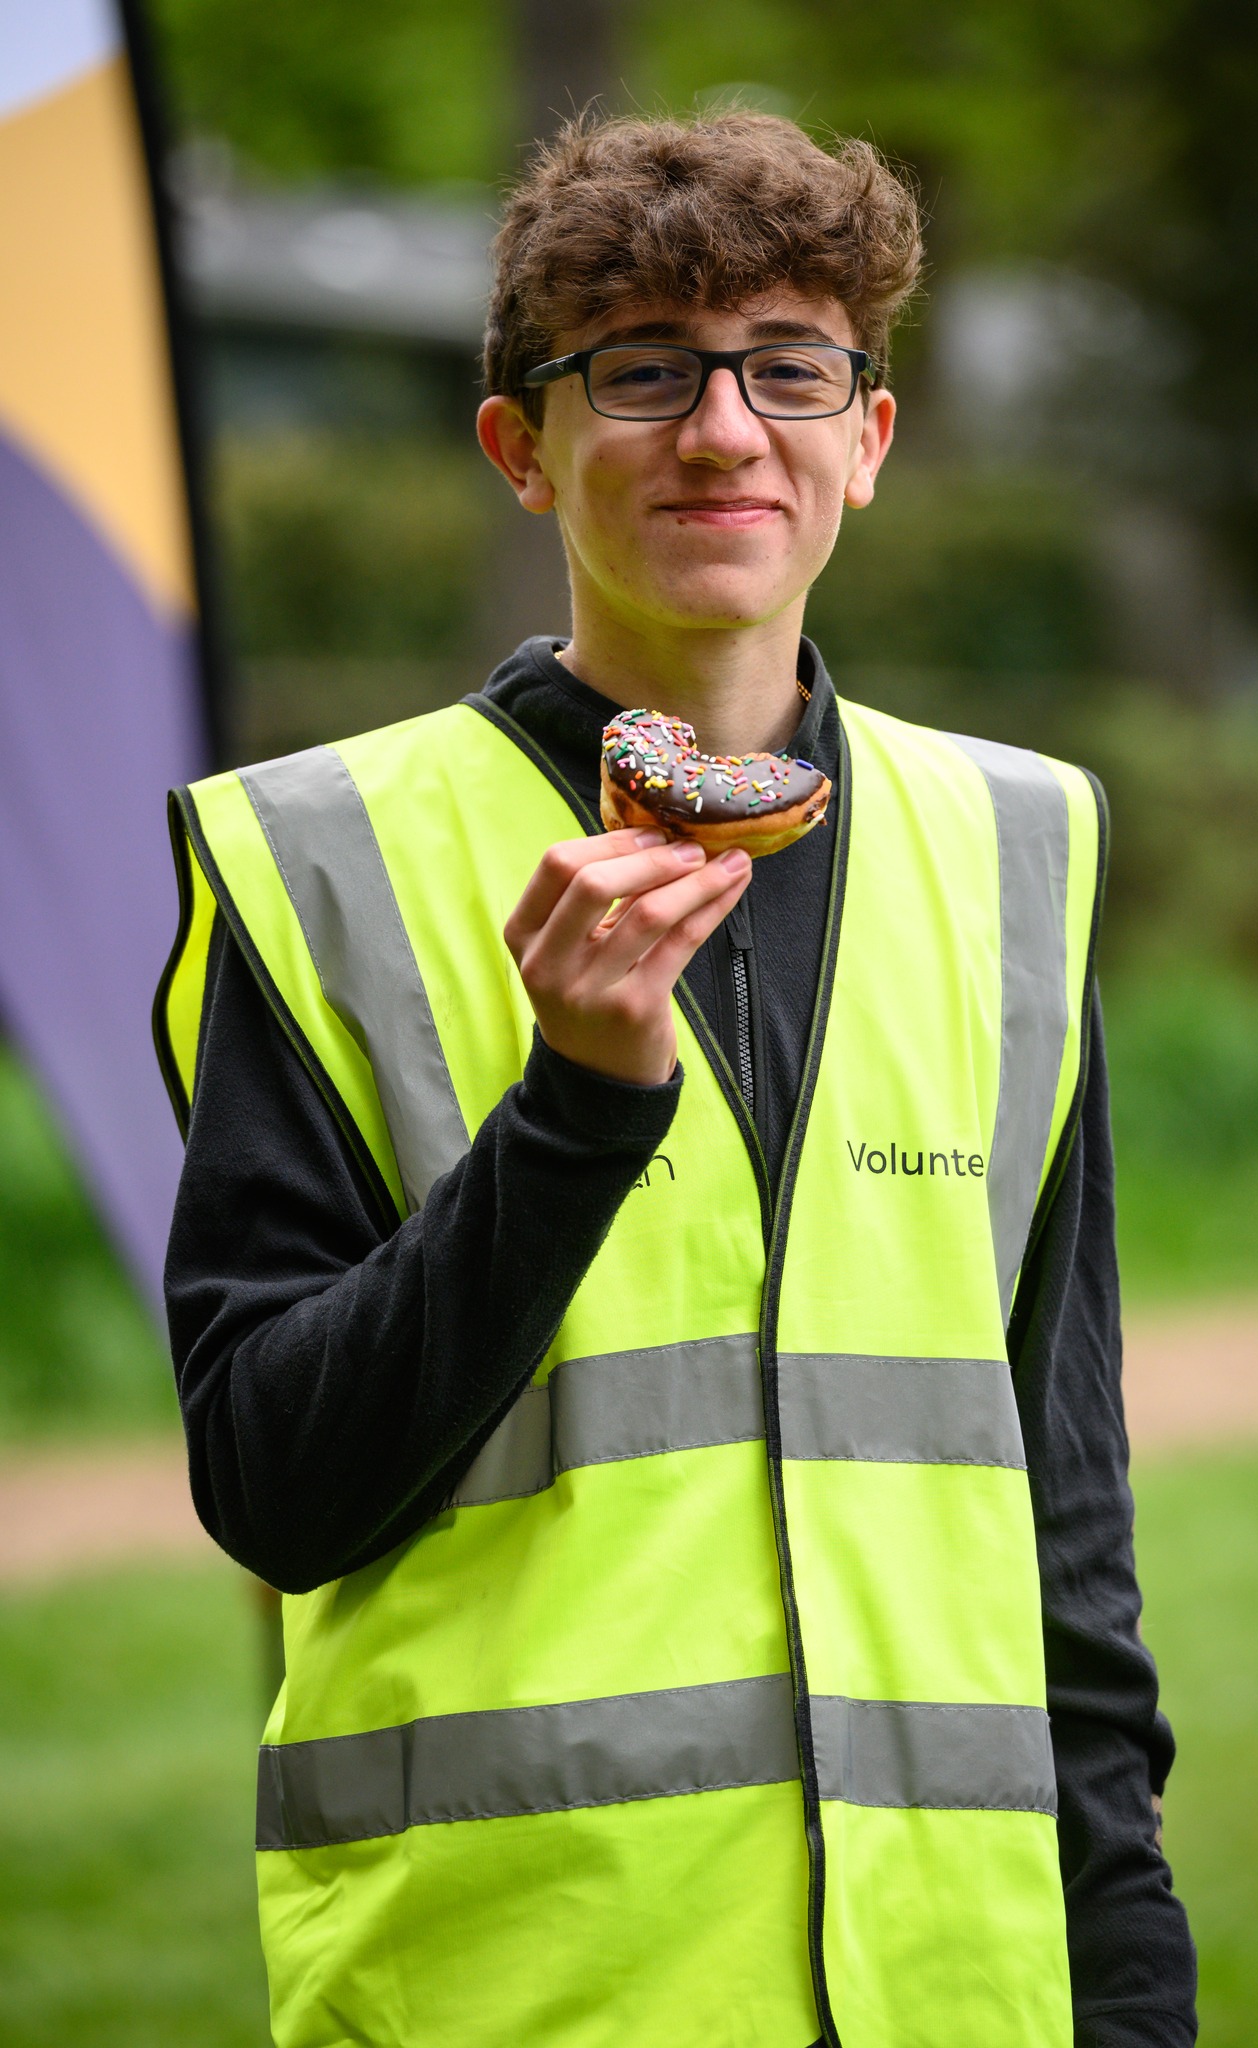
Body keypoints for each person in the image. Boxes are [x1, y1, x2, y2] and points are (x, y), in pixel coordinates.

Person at [155, 111, 1197, 2048]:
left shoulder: (1013, 843)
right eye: (638, 370)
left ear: (866, 439)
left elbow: (1058, 1511)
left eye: (788, 365)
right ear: (518, 446)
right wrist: (569, 1111)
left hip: (954, 1990)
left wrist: (1125, 1977)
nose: (723, 430)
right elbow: (276, 1484)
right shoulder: (321, 855)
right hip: (522, 1986)